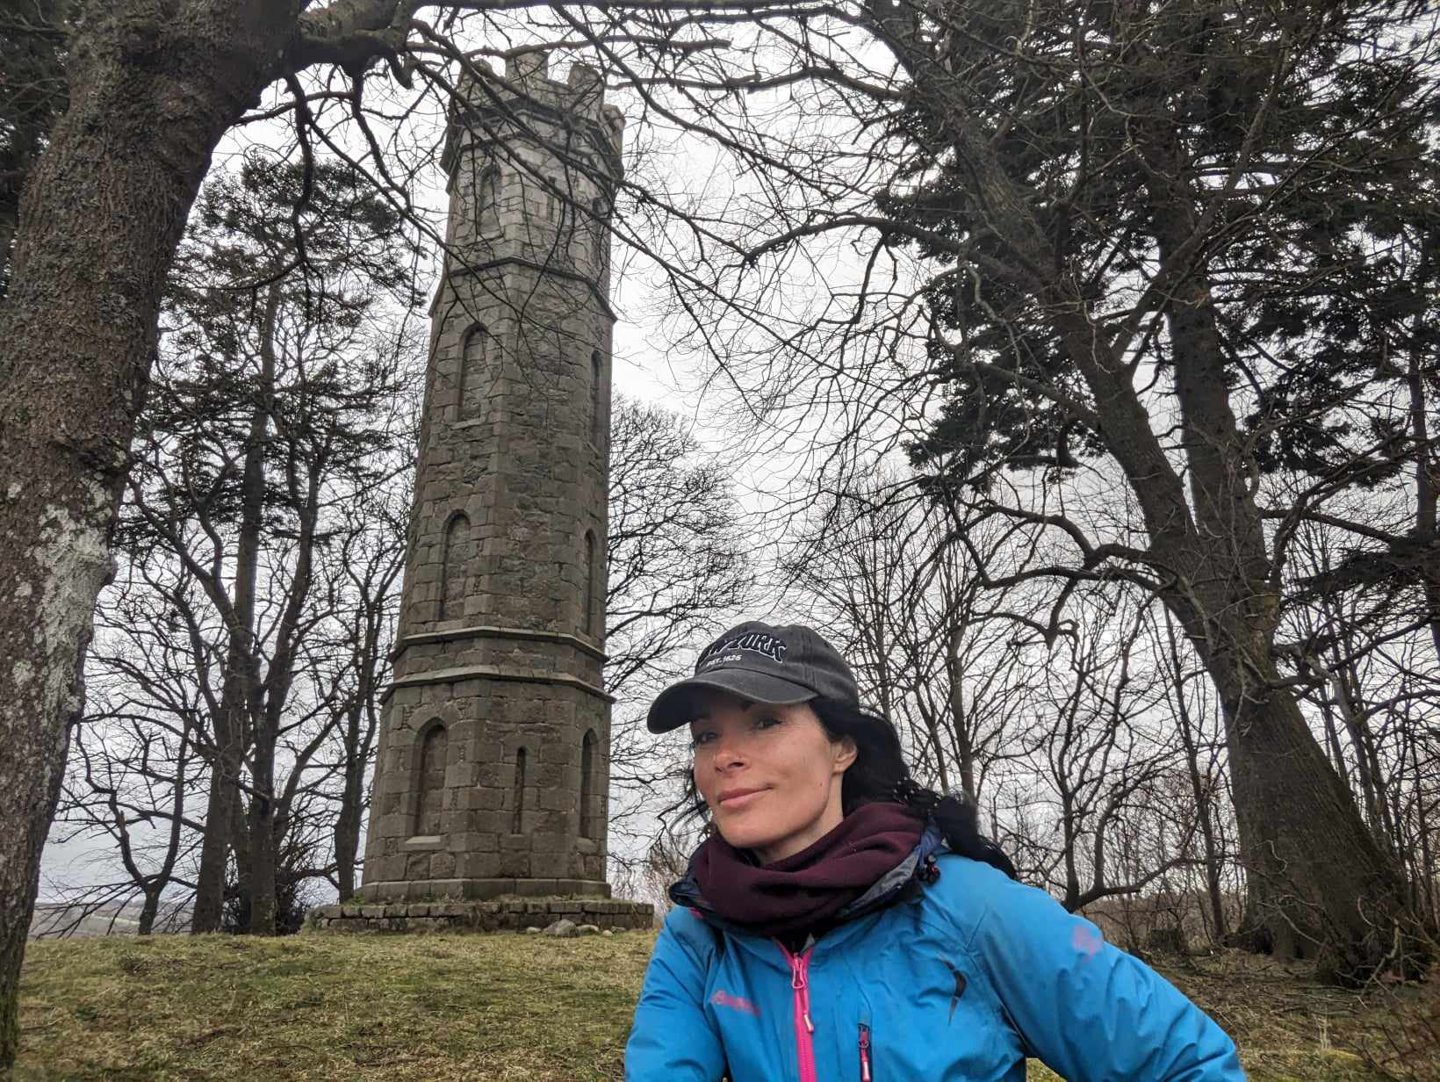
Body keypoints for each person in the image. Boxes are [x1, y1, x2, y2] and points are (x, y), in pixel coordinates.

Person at [625, 620, 1246, 1081]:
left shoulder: (969, 907)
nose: (725, 755)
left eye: (765, 722)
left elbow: (1186, 1064)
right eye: (707, 736)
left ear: (842, 748)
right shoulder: (699, 932)